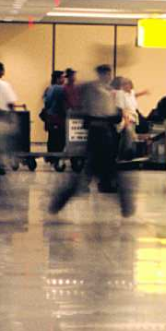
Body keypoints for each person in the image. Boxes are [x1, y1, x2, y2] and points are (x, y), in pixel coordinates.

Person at [49, 64, 134, 217]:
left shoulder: (100, 89)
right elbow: (107, 113)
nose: (109, 77)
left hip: (99, 131)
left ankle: (59, 202)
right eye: (107, 74)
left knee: (91, 170)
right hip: (101, 132)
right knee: (106, 169)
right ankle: (126, 205)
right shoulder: (98, 90)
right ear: (103, 74)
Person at [41, 70, 67, 165]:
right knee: (59, 137)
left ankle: (51, 157)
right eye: (62, 77)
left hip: (51, 116)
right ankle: (56, 157)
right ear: (57, 79)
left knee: (52, 137)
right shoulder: (59, 88)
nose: (64, 79)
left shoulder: (49, 88)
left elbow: (46, 101)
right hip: (57, 116)